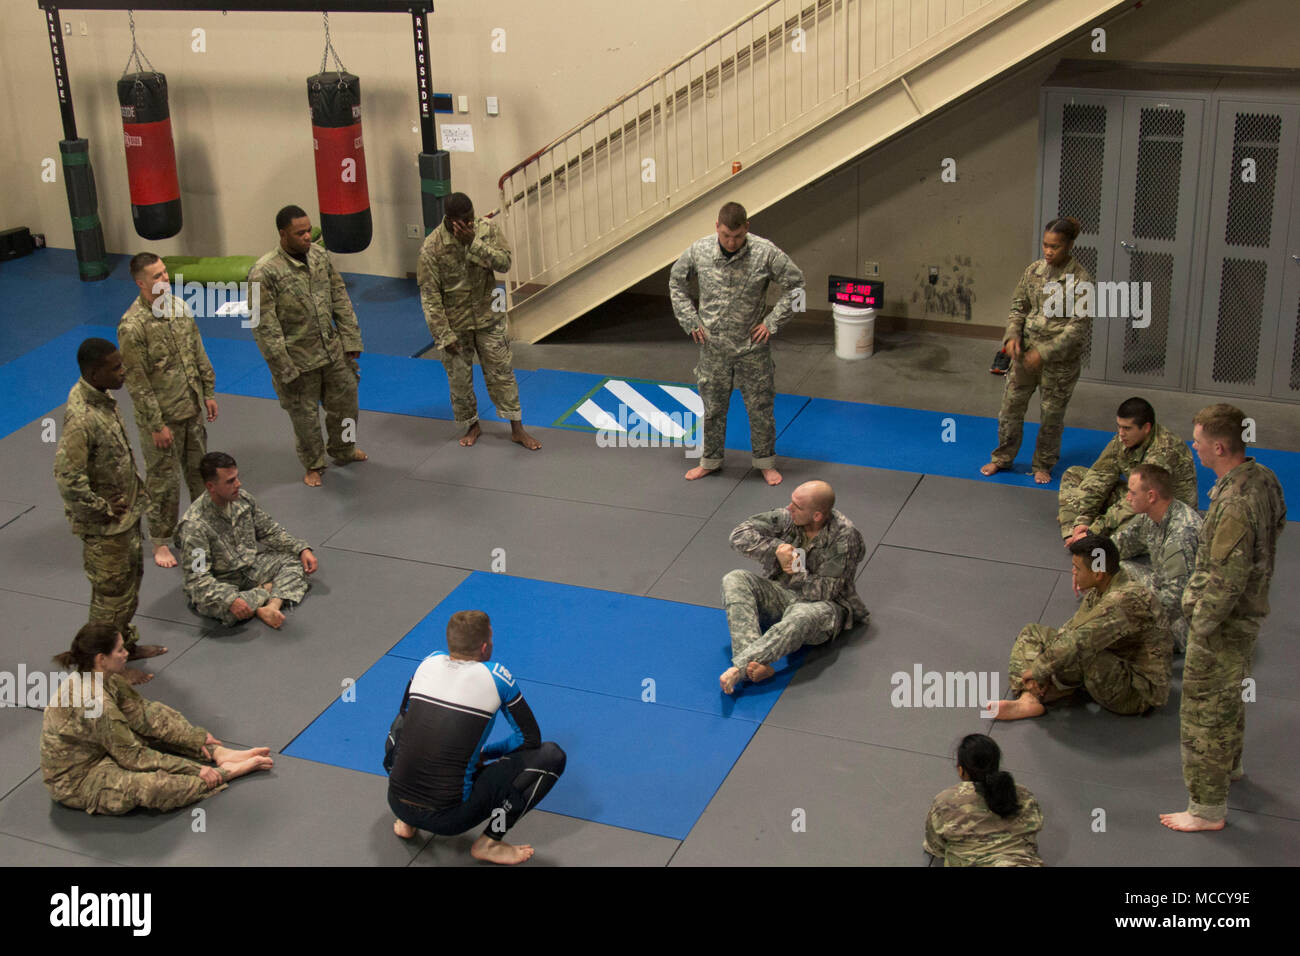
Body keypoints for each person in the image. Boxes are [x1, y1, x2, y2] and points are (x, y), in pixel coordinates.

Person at [1161, 405, 1285, 834]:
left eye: (1197, 441)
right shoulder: (1263, 477)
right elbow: (1277, 527)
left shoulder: (1233, 504)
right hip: (1249, 614)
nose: (1192, 447)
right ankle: (1230, 768)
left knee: (1204, 714)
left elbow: (1225, 581)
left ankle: (1206, 809)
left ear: (1218, 446)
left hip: (1223, 624)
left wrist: (1197, 621)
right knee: (1229, 699)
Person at [386, 611, 566, 865]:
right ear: (484, 647)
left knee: (402, 725)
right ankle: (490, 841)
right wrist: (486, 754)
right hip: (450, 819)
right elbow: (529, 739)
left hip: (396, 801)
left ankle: (407, 821)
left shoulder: (428, 662)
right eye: (491, 639)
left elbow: (404, 717)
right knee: (551, 756)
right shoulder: (496, 676)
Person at [40, 623, 273, 815]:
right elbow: (133, 757)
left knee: (159, 723)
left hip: (104, 748)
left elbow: (144, 714)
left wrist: (195, 737)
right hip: (78, 779)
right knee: (153, 787)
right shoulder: (94, 702)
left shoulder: (105, 677)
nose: (127, 654)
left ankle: (219, 754)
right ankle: (225, 773)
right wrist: (194, 770)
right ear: (101, 658)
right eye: (120, 650)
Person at [52, 338, 165, 685]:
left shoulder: (103, 397)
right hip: (106, 530)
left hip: (125, 520)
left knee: (128, 590)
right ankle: (99, 672)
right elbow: (68, 479)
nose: (123, 372)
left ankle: (123, 646)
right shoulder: (82, 418)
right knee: (109, 600)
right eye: (116, 368)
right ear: (93, 372)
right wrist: (101, 509)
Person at [670, 201, 805, 486]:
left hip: (751, 347)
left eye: (738, 236)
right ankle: (710, 460)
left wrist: (772, 322)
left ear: (747, 228)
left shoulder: (765, 253)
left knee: (760, 407)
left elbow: (797, 285)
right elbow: (676, 283)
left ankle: (765, 462)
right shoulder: (700, 250)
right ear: (716, 228)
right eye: (726, 236)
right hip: (713, 347)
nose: (732, 242)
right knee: (713, 407)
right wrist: (690, 320)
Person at [249, 204, 368, 486]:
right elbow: (262, 327)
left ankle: (345, 448)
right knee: (306, 419)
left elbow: (339, 296)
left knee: (348, 403)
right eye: (299, 233)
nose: (306, 237)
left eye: (308, 231)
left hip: (331, 349)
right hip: (297, 359)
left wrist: (351, 338)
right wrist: (283, 368)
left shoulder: (319, 257)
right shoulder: (263, 273)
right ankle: (313, 464)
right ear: (282, 234)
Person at [992, 534, 1168, 720]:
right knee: (1032, 633)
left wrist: (1038, 669)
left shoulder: (1123, 601)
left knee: (1079, 652)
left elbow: (1079, 642)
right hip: (1111, 658)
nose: (1073, 573)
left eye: (1077, 568)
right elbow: (1071, 630)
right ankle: (1031, 696)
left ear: (1097, 574)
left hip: (1136, 690)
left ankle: (1038, 692)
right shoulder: (1104, 587)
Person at [118, 252, 219, 569]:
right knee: (163, 481)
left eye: (164, 273)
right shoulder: (132, 326)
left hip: (190, 408)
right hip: (162, 419)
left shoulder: (178, 306)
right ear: (141, 282)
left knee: (198, 473)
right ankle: (161, 541)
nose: (164, 279)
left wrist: (209, 391)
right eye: (157, 276)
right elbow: (137, 382)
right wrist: (156, 424)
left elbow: (197, 350)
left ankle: (206, 526)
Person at [417, 192, 540, 450]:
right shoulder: (432, 247)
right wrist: (443, 335)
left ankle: (517, 429)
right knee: (460, 381)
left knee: (502, 373)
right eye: (465, 221)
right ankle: (472, 425)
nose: (471, 224)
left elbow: (505, 263)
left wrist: (475, 242)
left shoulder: (486, 231)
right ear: (451, 221)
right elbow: (429, 297)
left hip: (488, 319)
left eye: (472, 218)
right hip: (455, 325)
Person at [720, 480, 868, 694]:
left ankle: (739, 668)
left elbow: (825, 592)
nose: (789, 508)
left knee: (800, 615)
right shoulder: (789, 516)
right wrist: (776, 549)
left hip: (825, 607)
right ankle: (754, 665)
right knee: (735, 578)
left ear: (817, 515)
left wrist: (794, 568)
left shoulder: (845, 537)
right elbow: (738, 535)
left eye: (796, 506)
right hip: (783, 592)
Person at [981, 217, 1092, 484]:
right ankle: (1003, 458)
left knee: (1051, 416)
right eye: (1045, 245)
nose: (1048, 251)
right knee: (1010, 409)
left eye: (1055, 246)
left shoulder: (1081, 280)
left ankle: (1043, 463)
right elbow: (1018, 307)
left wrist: (1043, 353)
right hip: (1024, 355)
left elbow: (1078, 328)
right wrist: (1012, 335)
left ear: (1069, 245)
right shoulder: (1033, 271)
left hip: (1059, 363)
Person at [175, 452, 316, 629]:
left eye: (237, 478)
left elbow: (269, 531)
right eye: (230, 481)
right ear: (211, 486)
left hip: (250, 568)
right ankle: (267, 591)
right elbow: (197, 579)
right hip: (221, 581)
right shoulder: (194, 526)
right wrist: (230, 599)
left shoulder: (242, 499)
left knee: (295, 562)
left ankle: (271, 606)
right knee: (220, 607)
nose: (238, 484)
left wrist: (301, 549)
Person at [1058, 396, 1196, 542]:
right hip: (1136, 495)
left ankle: (1088, 538)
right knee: (1074, 474)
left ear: (1146, 428)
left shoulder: (1163, 451)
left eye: (1127, 428)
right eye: (1119, 426)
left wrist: (1095, 528)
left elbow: (1143, 499)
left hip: (1164, 512)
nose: (1121, 433)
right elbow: (1100, 475)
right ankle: (1074, 534)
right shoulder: (1122, 440)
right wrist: (1083, 519)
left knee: (1130, 530)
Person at [1112, 463, 1202, 653]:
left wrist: (1132, 624)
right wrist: (1089, 563)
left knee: (1117, 636)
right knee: (1115, 567)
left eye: (1132, 493)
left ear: (1151, 496)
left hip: (1189, 616)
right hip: (1162, 585)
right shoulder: (1152, 515)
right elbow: (1120, 544)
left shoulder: (1181, 534)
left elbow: (1174, 602)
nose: (1127, 498)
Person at [924, 734, 1043, 867]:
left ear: (961, 770)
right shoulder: (1024, 795)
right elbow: (1033, 828)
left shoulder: (946, 801)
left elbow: (935, 844)